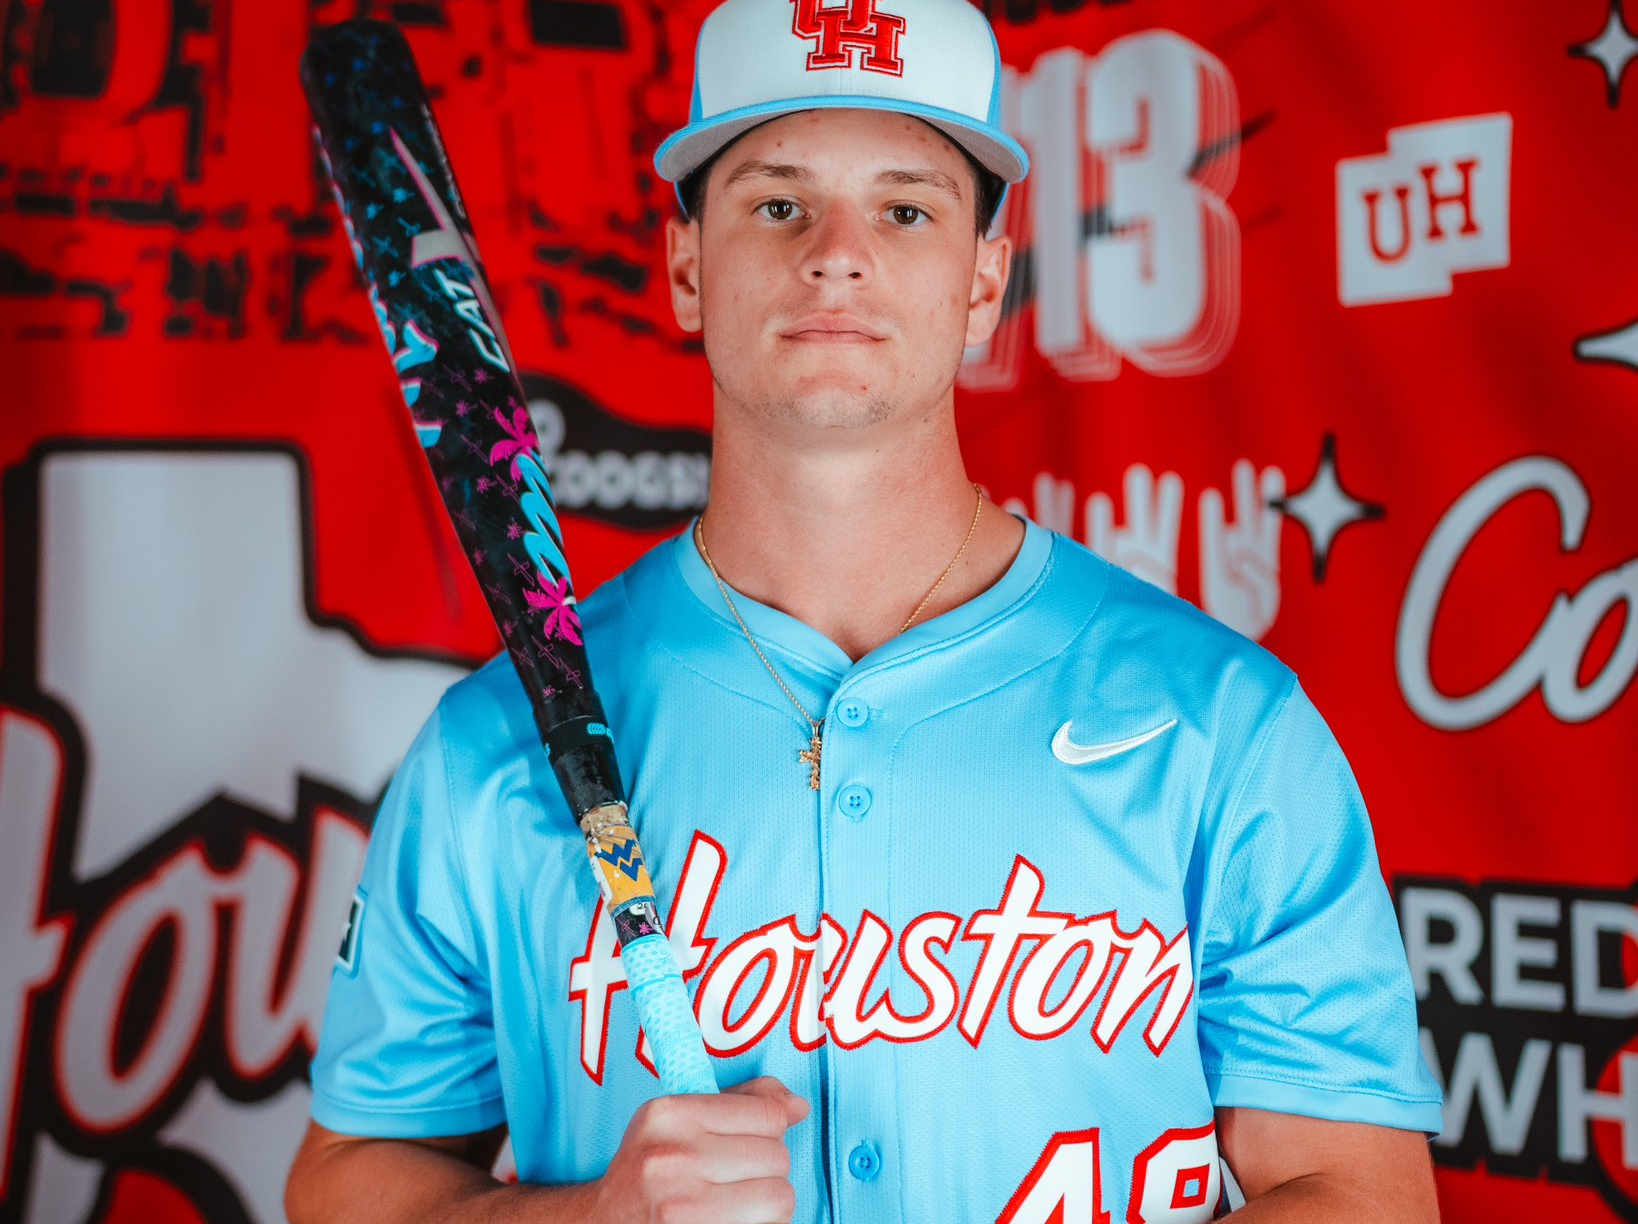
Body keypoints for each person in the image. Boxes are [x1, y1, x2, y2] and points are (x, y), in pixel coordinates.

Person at [286, 0, 1444, 1220]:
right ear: (687, 266)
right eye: (778, 202)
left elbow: (1363, 1192)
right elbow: (347, 1181)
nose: (837, 251)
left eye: (906, 208)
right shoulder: (493, 746)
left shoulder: (1220, 729)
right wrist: (589, 1217)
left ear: (985, 277)